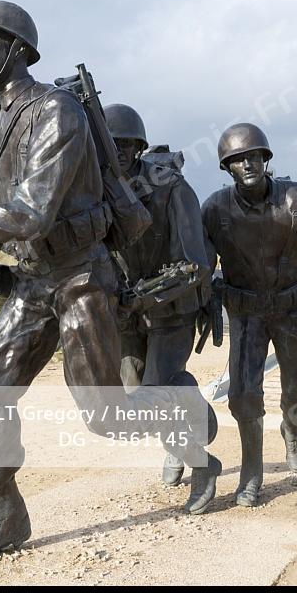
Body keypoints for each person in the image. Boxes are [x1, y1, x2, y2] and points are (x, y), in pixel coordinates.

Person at [0, 1, 221, 564]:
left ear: (19, 49)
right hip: (34, 279)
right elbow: (3, 218)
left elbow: (30, 211)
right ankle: (7, 513)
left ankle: (182, 412)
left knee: (105, 415)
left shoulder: (57, 111)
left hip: (81, 276)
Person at [202, 123, 297, 507]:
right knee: (242, 395)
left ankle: (293, 428)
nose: (248, 164)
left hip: (293, 311)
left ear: (266, 159)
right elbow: (201, 267)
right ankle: (252, 471)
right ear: (227, 167)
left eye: (254, 156)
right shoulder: (215, 209)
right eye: (238, 160)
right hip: (246, 314)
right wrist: (201, 303)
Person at [104, 103, 211, 487]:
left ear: (138, 148)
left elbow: (195, 265)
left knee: (155, 391)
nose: (117, 151)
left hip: (172, 310)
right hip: (126, 315)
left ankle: (188, 434)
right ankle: (181, 425)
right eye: (110, 143)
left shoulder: (171, 188)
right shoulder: (94, 190)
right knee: (133, 391)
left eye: (125, 144)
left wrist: (144, 297)